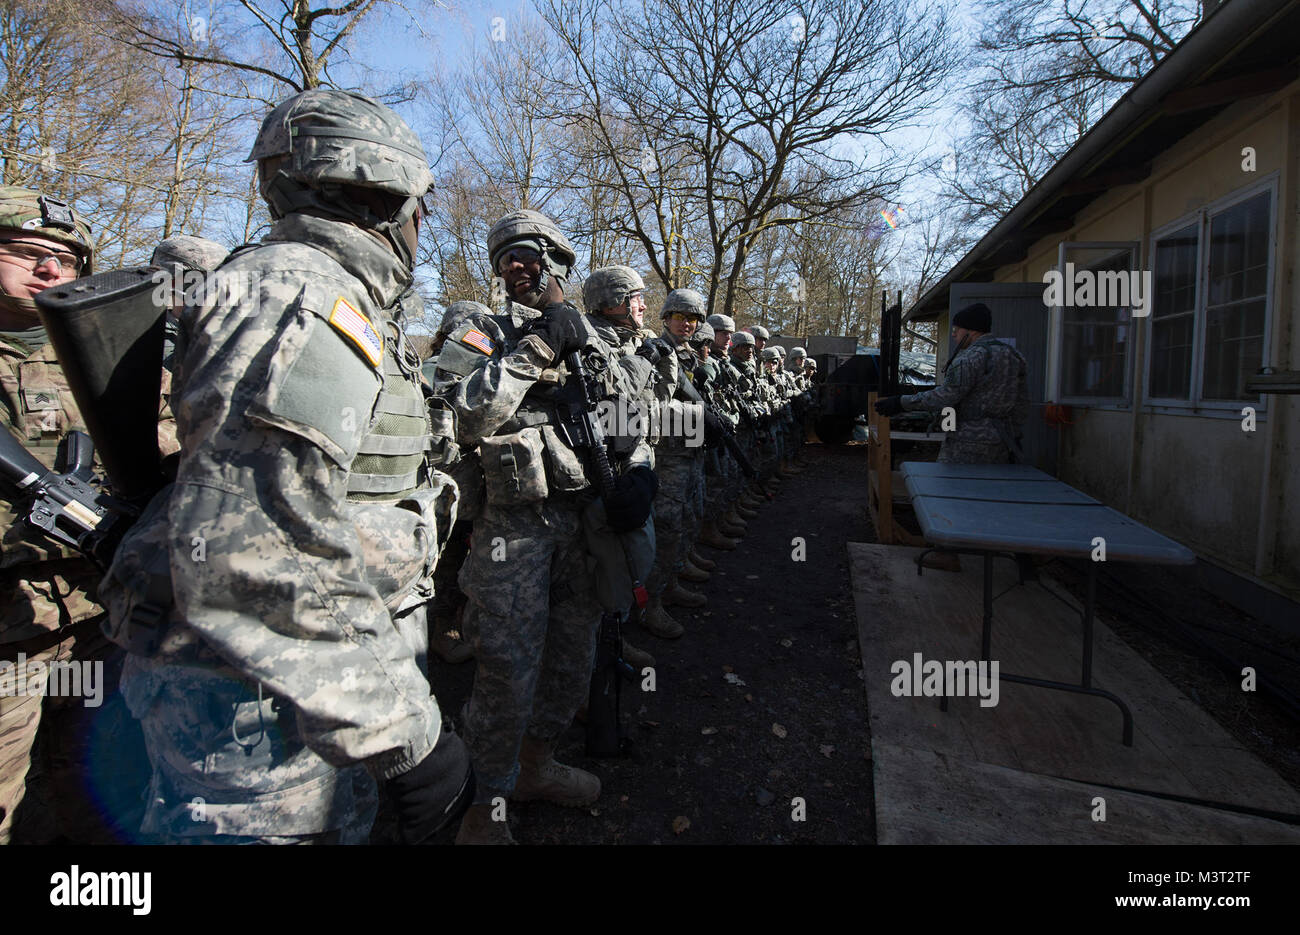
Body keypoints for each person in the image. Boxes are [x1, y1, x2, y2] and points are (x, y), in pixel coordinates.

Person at [98, 89, 473, 845]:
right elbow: (256, 546)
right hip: (262, 715)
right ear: (383, 187)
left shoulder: (327, 294)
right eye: (419, 206)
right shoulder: (298, 294)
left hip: (305, 698)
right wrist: (403, 730)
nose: (422, 226)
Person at [434, 211, 655, 844]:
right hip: (515, 528)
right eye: (503, 258)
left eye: (526, 254)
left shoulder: (598, 341)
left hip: (584, 524)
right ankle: (483, 805)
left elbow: (630, 424)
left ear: (557, 258)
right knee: (506, 667)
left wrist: (639, 474)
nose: (515, 268)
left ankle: (534, 766)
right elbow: (457, 416)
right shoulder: (482, 332)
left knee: (571, 658)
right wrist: (538, 349)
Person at [0, 186, 99, 844]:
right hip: (7, 628)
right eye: (31, 253)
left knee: (87, 792)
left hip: (94, 621)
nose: (51, 270)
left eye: (66, 261)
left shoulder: (106, 360)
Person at [874, 302, 1029, 464]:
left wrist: (901, 402)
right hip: (1005, 441)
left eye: (956, 330)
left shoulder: (970, 358)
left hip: (968, 442)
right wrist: (1014, 432)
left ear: (972, 330)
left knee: (951, 485)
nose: (954, 335)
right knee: (992, 487)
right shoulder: (1014, 356)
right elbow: (1022, 403)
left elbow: (946, 396)